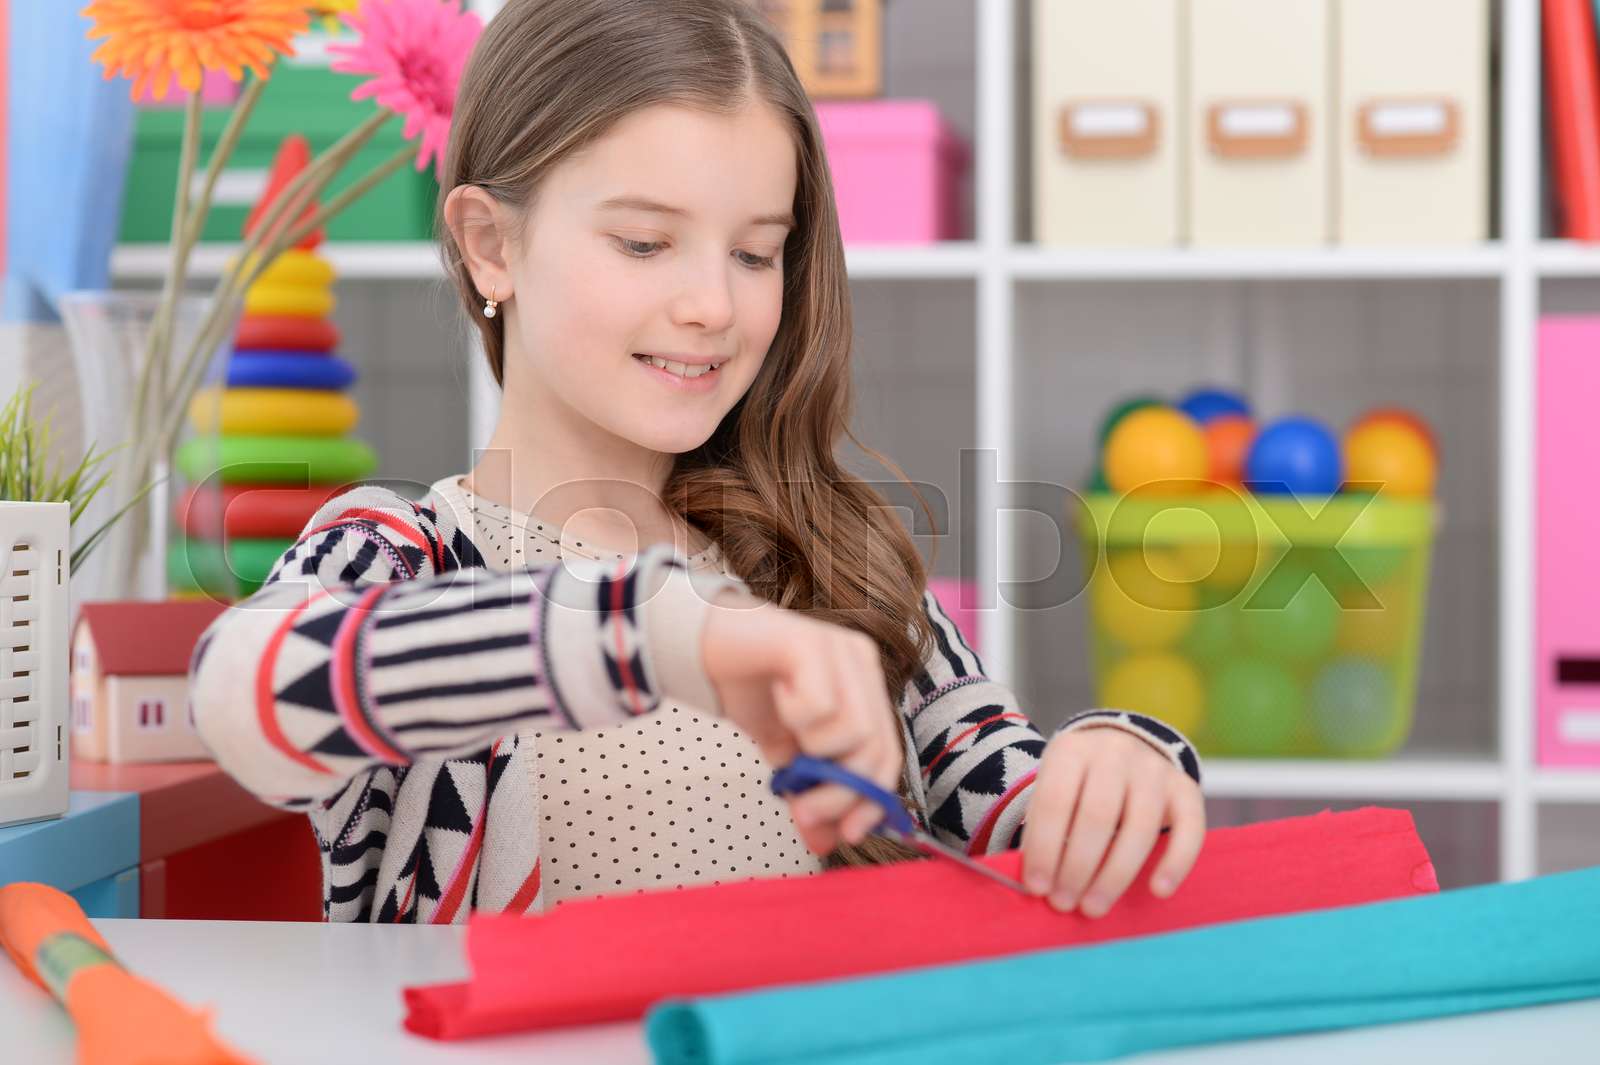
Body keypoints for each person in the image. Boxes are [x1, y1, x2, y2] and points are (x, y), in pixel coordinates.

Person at [188, 0, 1205, 925]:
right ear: (489, 244)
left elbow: (1017, 811)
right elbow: (239, 689)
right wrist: (647, 631)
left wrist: (1118, 767)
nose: (714, 305)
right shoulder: (408, 552)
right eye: (644, 242)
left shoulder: (830, 561)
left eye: (756, 253)